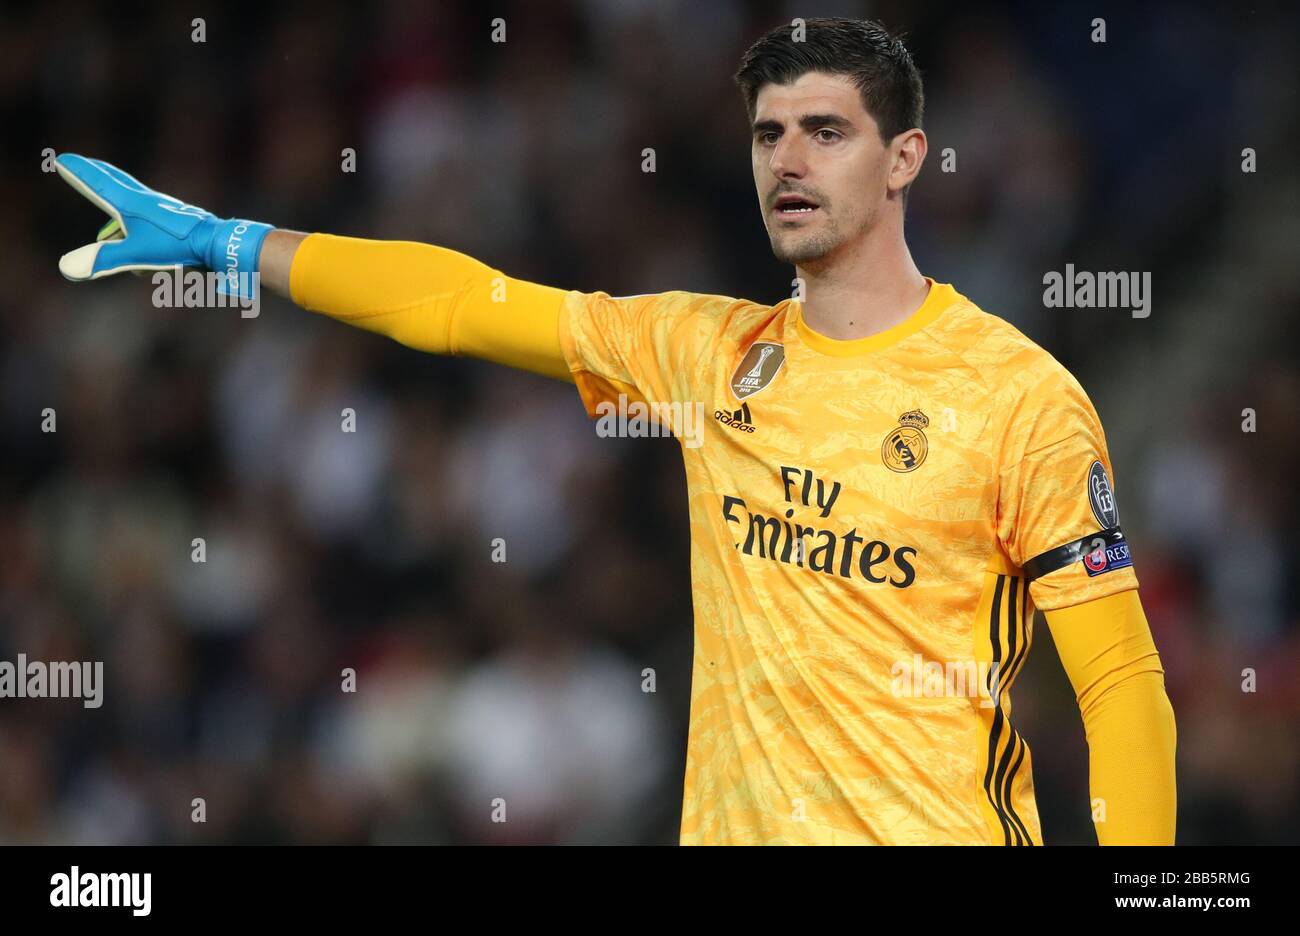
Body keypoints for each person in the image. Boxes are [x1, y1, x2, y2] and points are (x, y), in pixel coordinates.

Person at [53, 17, 1175, 845]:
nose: (786, 160)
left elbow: (1118, 682)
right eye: (767, 133)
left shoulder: (1017, 396)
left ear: (903, 159)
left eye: (825, 132)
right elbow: (460, 302)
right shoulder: (706, 353)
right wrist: (229, 243)